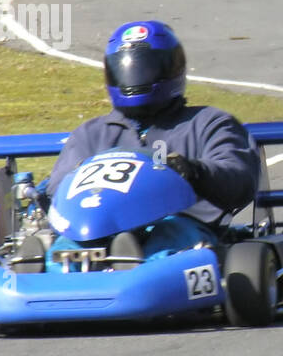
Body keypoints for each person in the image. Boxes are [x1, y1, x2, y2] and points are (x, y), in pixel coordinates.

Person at [46, 21, 262, 229]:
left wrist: (194, 171)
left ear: (171, 69)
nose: (134, 78)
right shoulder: (91, 135)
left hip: (183, 234)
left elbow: (240, 180)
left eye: (145, 69)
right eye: (127, 69)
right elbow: (57, 191)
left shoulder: (207, 123)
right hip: (100, 234)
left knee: (161, 241)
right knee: (44, 254)